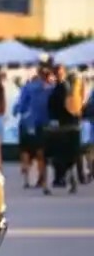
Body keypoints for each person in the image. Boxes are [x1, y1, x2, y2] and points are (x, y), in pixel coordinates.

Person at [42, 65, 83, 195]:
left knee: (55, 155)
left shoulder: (57, 89)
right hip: (70, 126)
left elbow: (52, 107)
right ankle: (70, 179)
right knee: (69, 155)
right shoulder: (71, 90)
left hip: (59, 127)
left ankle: (60, 178)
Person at [13, 64, 53, 188]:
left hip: (26, 123)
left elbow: (18, 108)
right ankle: (41, 178)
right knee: (41, 152)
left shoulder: (27, 87)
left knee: (25, 151)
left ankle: (26, 179)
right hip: (44, 124)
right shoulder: (51, 88)